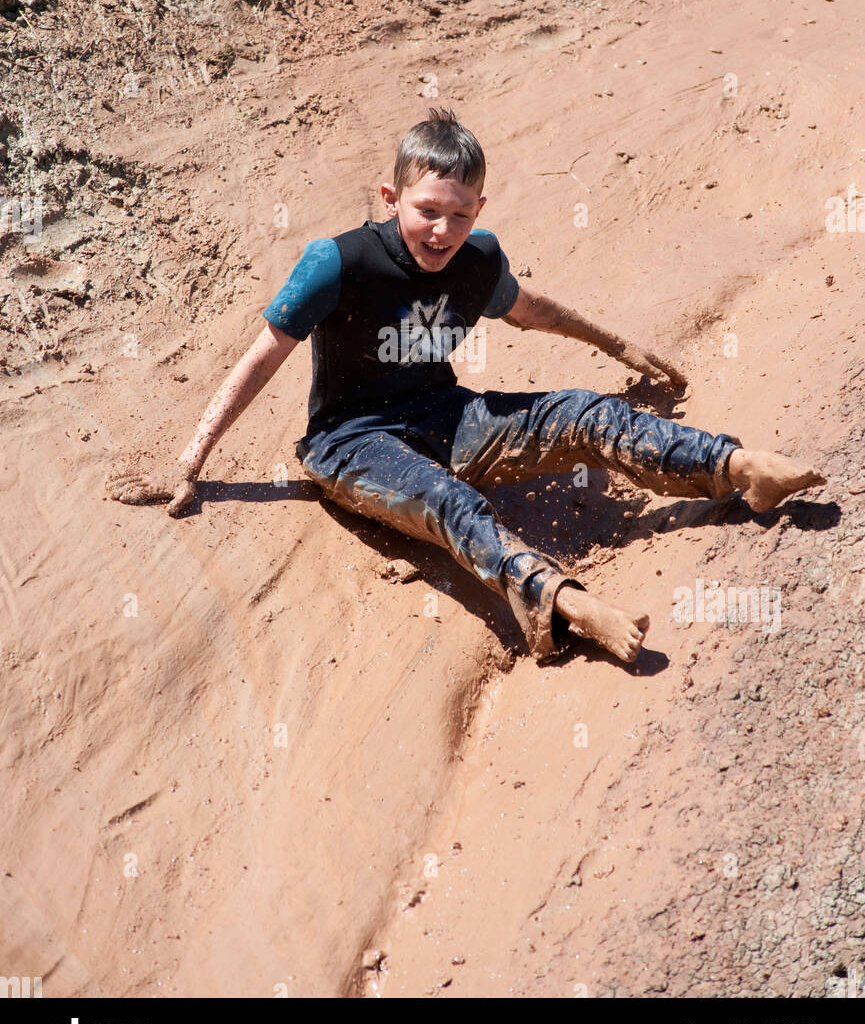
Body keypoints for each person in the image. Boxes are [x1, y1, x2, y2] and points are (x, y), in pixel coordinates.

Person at [106, 108, 825, 664]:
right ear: (391, 197)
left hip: (447, 415)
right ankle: (566, 606)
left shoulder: (477, 260)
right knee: (452, 502)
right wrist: (190, 464)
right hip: (349, 444)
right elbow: (261, 358)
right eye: (427, 211)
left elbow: (528, 309)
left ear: (478, 208)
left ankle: (736, 468)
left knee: (582, 410)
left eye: (459, 213)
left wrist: (617, 344)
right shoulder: (336, 263)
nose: (442, 230)